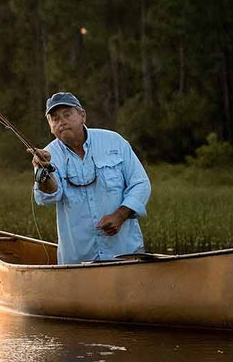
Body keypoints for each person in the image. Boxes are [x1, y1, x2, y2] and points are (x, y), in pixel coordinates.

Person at [30, 92, 151, 264]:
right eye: (55, 118)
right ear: (50, 126)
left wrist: (120, 215)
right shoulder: (47, 155)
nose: (61, 122)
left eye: (67, 115)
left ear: (82, 116)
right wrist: (43, 172)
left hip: (126, 253)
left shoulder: (115, 141)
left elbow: (140, 184)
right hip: (78, 261)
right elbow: (47, 198)